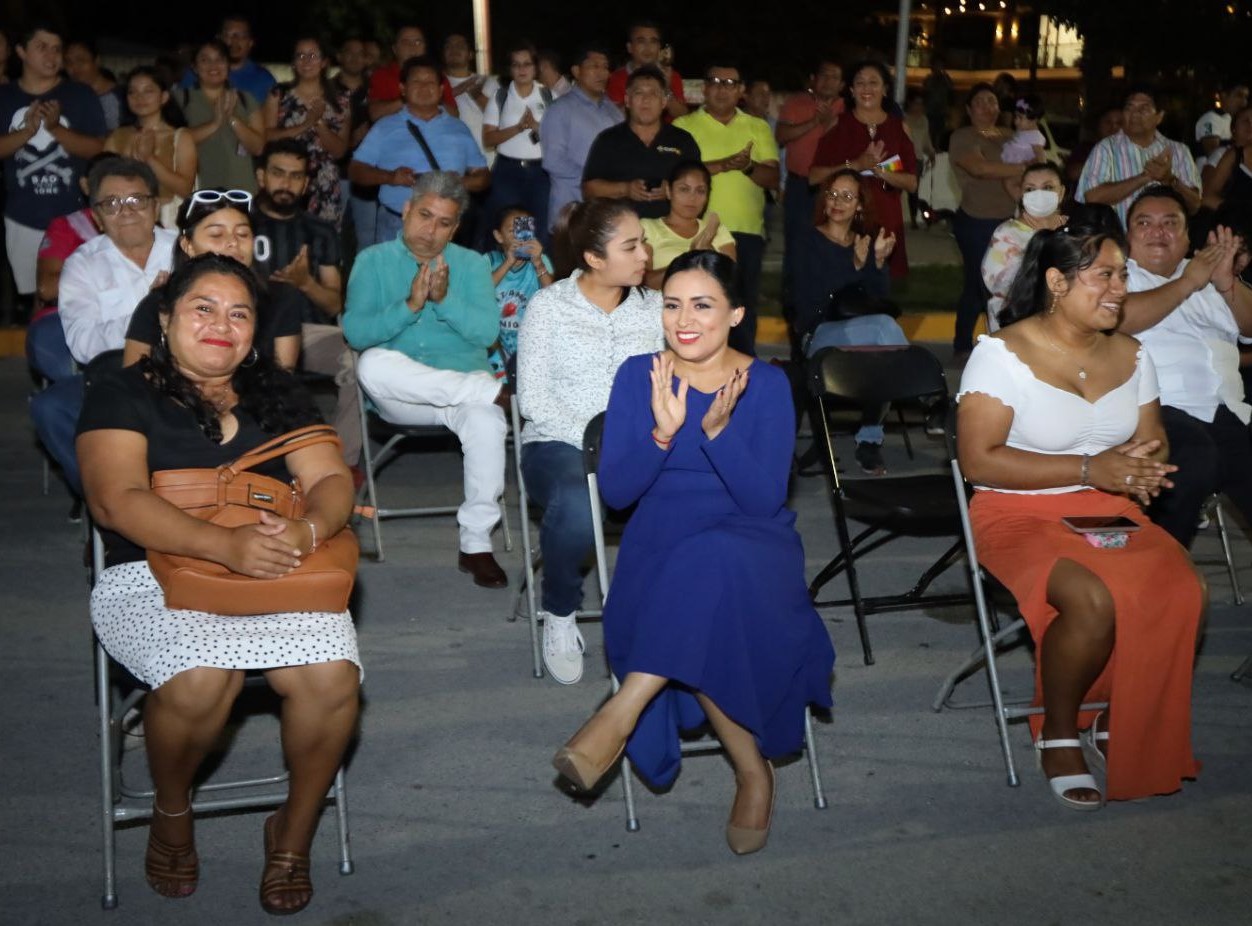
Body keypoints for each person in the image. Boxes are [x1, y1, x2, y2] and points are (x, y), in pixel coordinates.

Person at [78, 253, 360, 915]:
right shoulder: (122, 391)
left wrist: (308, 531)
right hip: (150, 572)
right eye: (202, 308)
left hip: (278, 568)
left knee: (331, 678)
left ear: (255, 330)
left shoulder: (278, 391)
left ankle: (292, 834)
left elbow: (329, 479)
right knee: (203, 677)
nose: (221, 325)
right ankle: (172, 813)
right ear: (166, 317)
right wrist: (224, 546)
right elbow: (116, 500)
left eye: (239, 314)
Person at [551, 249, 834, 854]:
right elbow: (619, 495)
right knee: (704, 594)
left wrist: (717, 435)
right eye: (672, 305)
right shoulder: (640, 376)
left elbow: (762, 501)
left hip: (752, 541)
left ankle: (620, 712)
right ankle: (754, 772)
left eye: (702, 306)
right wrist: (662, 433)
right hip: (660, 540)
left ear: (735, 314)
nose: (684, 320)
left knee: (712, 567)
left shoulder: (767, 384)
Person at [956, 224, 1204, 807]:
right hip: (1015, 510)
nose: (1120, 289)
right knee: (1092, 600)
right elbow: (978, 460)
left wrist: (1144, 467)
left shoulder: (1132, 354)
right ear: (1057, 282)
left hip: (1106, 507)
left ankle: (1120, 714)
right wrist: (1093, 468)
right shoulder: (1001, 355)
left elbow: (1153, 439)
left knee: (1183, 588)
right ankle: (1059, 729)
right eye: (1105, 276)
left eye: (1122, 276)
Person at [517, 199, 663, 683]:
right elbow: (533, 400)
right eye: (631, 246)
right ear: (595, 258)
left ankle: (674, 613)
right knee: (579, 506)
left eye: (643, 242)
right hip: (558, 444)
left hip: (643, 445)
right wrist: (598, 445)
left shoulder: (656, 309)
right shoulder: (549, 307)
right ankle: (560, 609)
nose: (645, 254)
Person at [343, 171, 508, 588]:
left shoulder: (472, 265)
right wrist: (410, 304)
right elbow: (356, 334)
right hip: (403, 397)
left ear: (456, 227)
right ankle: (495, 393)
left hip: (462, 388)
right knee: (371, 363)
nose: (430, 231)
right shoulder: (372, 261)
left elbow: (487, 334)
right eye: (424, 216)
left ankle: (476, 544)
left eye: (443, 223)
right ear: (406, 210)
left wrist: (444, 300)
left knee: (487, 421)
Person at [30, 157, 176, 497]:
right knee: (50, 407)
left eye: (137, 200)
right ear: (96, 217)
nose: (126, 211)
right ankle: (107, 499)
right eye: (111, 203)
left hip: (184, 371)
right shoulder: (82, 265)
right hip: (116, 377)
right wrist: (148, 312)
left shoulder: (185, 250)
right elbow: (83, 345)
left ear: (155, 206)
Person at [1117, 185, 1252, 549]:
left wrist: (1226, 283)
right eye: (1144, 223)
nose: (1157, 232)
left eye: (1170, 222)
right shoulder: (1117, 277)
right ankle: (1159, 563)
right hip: (1157, 411)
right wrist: (1187, 282)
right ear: (1128, 235)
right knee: (1195, 458)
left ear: (1187, 235)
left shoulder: (1211, 277)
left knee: (1219, 450)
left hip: (1229, 409)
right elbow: (1120, 318)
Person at [250, 140, 361, 468]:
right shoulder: (240, 224)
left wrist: (305, 283)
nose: (286, 183)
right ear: (261, 176)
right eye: (278, 173)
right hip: (249, 333)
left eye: (296, 176)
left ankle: (340, 464)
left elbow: (334, 304)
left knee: (363, 361)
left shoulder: (319, 231)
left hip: (308, 334)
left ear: (306, 183)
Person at [792, 168, 903, 475]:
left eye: (847, 196)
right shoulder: (807, 241)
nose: (838, 202)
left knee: (883, 348)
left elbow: (877, 300)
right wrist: (854, 266)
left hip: (863, 333)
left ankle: (869, 440)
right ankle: (925, 396)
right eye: (832, 194)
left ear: (860, 205)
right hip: (819, 334)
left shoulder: (865, 241)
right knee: (884, 331)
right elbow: (810, 302)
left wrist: (877, 262)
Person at [124, 189, 302, 371]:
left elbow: (284, 375)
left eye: (242, 234)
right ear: (188, 245)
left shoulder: (281, 298)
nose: (233, 242)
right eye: (217, 235)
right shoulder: (160, 302)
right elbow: (133, 379)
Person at [0, 22, 106, 323]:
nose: (52, 55)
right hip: (21, 216)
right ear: (21, 52)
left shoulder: (80, 95)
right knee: (34, 297)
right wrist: (27, 132)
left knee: (76, 295)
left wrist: (56, 129)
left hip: (74, 216)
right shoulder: (5, 97)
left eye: (57, 49)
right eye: (42, 47)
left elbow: (98, 149)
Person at [674, 62, 780, 353]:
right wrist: (722, 165)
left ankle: (742, 368)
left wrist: (747, 166)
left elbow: (773, 178)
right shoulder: (683, 126)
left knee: (741, 308)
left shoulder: (757, 126)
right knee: (697, 303)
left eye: (730, 83)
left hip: (746, 232)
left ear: (741, 90)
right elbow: (676, 175)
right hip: (694, 231)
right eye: (716, 82)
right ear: (704, 88)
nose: (722, 89)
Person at [348, 56, 489, 245]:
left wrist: (459, 182)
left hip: (445, 227)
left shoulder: (458, 128)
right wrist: (391, 177)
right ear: (402, 89)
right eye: (416, 82)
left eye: (430, 82)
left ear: (441, 90)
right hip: (396, 225)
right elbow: (356, 171)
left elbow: (483, 177)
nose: (424, 87)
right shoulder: (384, 127)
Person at [810, 60, 917, 279]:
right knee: (841, 283)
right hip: (844, 221)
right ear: (851, 90)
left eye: (873, 83)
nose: (866, 88)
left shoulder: (899, 128)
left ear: (885, 89)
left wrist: (880, 171)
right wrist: (855, 165)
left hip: (886, 220)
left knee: (880, 287)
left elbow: (912, 183)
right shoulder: (838, 125)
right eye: (860, 83)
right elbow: (813, 177)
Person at [947, 83, 1023, 358]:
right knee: (981, 284)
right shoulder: (963, 136)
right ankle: (965, 344)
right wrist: (1021, 168)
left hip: (1011, 221)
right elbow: (979, 168)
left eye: (991, 101)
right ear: (968, 109)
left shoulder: (1010, 135)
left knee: (1011, 285)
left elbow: (1039, 160)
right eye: (979, 102)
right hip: (976, 221)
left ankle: (1002, 343)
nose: (987, 107)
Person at [581, 66, 701, 221]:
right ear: (627, 100)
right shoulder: (608, 140)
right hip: (621, 229)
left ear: (664, 101)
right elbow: (589, 190)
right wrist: (626, 189)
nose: (646, 99)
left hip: (672, 231)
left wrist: (673, 189)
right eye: (639, 93)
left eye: (654, 93)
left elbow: (699, 186)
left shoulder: (682, 140)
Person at [1076, 85, 1201, 227]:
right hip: (1119, 239)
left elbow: (1194, 206)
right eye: (1129, 108)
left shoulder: (1179, 151)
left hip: (1165, 239)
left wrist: (1170, 180)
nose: (1135, 114)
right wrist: (1145, 177)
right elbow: (1092, 198)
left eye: (1144, 109)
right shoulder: (1106, 148)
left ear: (1159, 117)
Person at [263, 37, 350, 226]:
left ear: (324, 62)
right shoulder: (279, 94)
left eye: (313, 55)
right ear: (293, 62)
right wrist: (305, 124)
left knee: (322, 238)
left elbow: (340, 151)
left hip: (324, 182)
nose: (306, 61)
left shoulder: (341, 98)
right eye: (300, 55)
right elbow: (267, 137)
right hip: (285, 178)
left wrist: (319, 123)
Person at [776, 60, 844, 298]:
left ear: (842, 84)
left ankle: (828, 297)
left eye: (834, 77)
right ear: (814, 79)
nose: (828, 82)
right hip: (801, 186)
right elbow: (781, 136)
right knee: (797, 244)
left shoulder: (848, 108)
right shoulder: (796, 103)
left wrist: (830, 122)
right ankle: (792, 299)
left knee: (832, 244)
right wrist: (815, 122)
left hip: (834, 188)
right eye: (824, 76)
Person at [540, 43, 622, 233]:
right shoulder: (560, 110)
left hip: (606, 214)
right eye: (594, 66)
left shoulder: (614, 112)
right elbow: (554, 161)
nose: (602, 73)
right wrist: (595, 182)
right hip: (572, 212)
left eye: (605, 67)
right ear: (576, 71)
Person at [105, 67, 198, 229]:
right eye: (132, 92)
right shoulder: (118, 136)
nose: (139, 97)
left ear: (164, 97)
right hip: (126, 219)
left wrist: (149, 159)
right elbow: (104, 181)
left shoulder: (180, 137)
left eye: (148, 91)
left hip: (169, 222)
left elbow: (185, 189)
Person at [982, 161, 1068, 331]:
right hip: (1017, 327)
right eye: (1030, 189)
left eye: (1048, 187)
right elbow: (1001, 285)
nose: (1039, 194)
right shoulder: (1007, 235)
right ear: (1022, 195)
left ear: (1062, 192)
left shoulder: (1074, 229)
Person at [480, 42, 552, 244]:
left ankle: (534, 264)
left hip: (540, 172)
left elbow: (559, 138)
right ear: (510, 69)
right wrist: (518, 128)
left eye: (527, 64)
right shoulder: (501, 96)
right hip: (508, 171)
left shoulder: (548, 95)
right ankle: (510, 264)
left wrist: (537, 127)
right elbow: (488, 138)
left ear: (535, 68)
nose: (522, 69)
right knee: (507, 228)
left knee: (539, 229)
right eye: (516, 64)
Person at [179, 39, 265, 192]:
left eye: (220, 59)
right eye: (205, 60)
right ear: (194, 67)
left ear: (228, 65)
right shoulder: (181, 99)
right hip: (199, 191)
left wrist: (232, 119)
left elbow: (258, 147)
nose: (213, 65)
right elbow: (174, 141)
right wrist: (215, 124)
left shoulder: (245, 99)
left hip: (242, 191)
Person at [640, 160, 736, 289]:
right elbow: (645, 281)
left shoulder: (717, 230)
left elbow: (731, 282)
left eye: (700, 191)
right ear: (668, 191)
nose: (692, 198)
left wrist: (708, 251)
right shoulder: (647, 227)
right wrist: (691, 259)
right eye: (684, 189)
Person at [485, 204, 553, 381]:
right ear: (499, 236)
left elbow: (553, 297)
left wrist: (538, 264)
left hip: (531, 341)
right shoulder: (489, 260)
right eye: (511, 231)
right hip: (495, 342)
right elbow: (480, 291)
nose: (518, 236)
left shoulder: (540, 261)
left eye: (523, 229)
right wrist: (508, 262)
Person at [366, 25, 458, 123]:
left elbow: (455, 114)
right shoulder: (382, 75)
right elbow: (375, 114)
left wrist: (433, 99)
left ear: (425, 48)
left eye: (418, 42)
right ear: (395, 49)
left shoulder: (437, 75)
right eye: (405, 42)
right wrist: (408, 98)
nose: (412, 47)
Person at [605, 20, 688, 119]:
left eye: (653, 41)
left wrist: (666, 88)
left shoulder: (671, 76)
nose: (648, 47)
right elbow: (613, 117)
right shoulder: (615, 78)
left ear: (659, 47)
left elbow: (683, 115)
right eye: (641, 41)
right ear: (630, 47)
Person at [64, 38, 123, 132]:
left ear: (97, 61)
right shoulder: (67, 96)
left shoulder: (123, 97)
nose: (74, 68)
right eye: (68, 63)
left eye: (81, 60)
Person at [1201, 106, 1252, 211]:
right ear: (1233, 129)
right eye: (1245, 121)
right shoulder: (1224, 154)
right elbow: (1206, 195)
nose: (1250, 125)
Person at [1064, 105, 1122, 187]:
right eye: (1108, 122)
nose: (1113, 127)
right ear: (1098, 125)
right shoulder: (1085, 149)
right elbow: (1073, 173)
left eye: (1119, 123)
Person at [902, 90, 935, 229]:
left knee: (914, 190)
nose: (919, 107)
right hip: (902, 158)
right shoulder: (903, 118)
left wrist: (931, 153)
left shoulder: (924, 120)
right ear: (909, 103)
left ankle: (914, 219)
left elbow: (925, 140)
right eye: (916, 103)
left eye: (921, 104)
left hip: (917, 159)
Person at [1196, 80, 1249, 159]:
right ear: (1224, 96)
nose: (1244, 102)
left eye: (1246, 97)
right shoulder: (1210, 119)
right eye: (1239, 96)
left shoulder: (1233, 121)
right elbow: (1213, 154)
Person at [1002, 94, 1047, 167]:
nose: (1016, 121)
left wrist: (1041, 170)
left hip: (1019, 167)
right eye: (1015, 116)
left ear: (1034, 120)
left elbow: (1040, 156)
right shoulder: (1022, 130)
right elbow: (1009, 134)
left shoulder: (1035, 136)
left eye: (1020, 118)